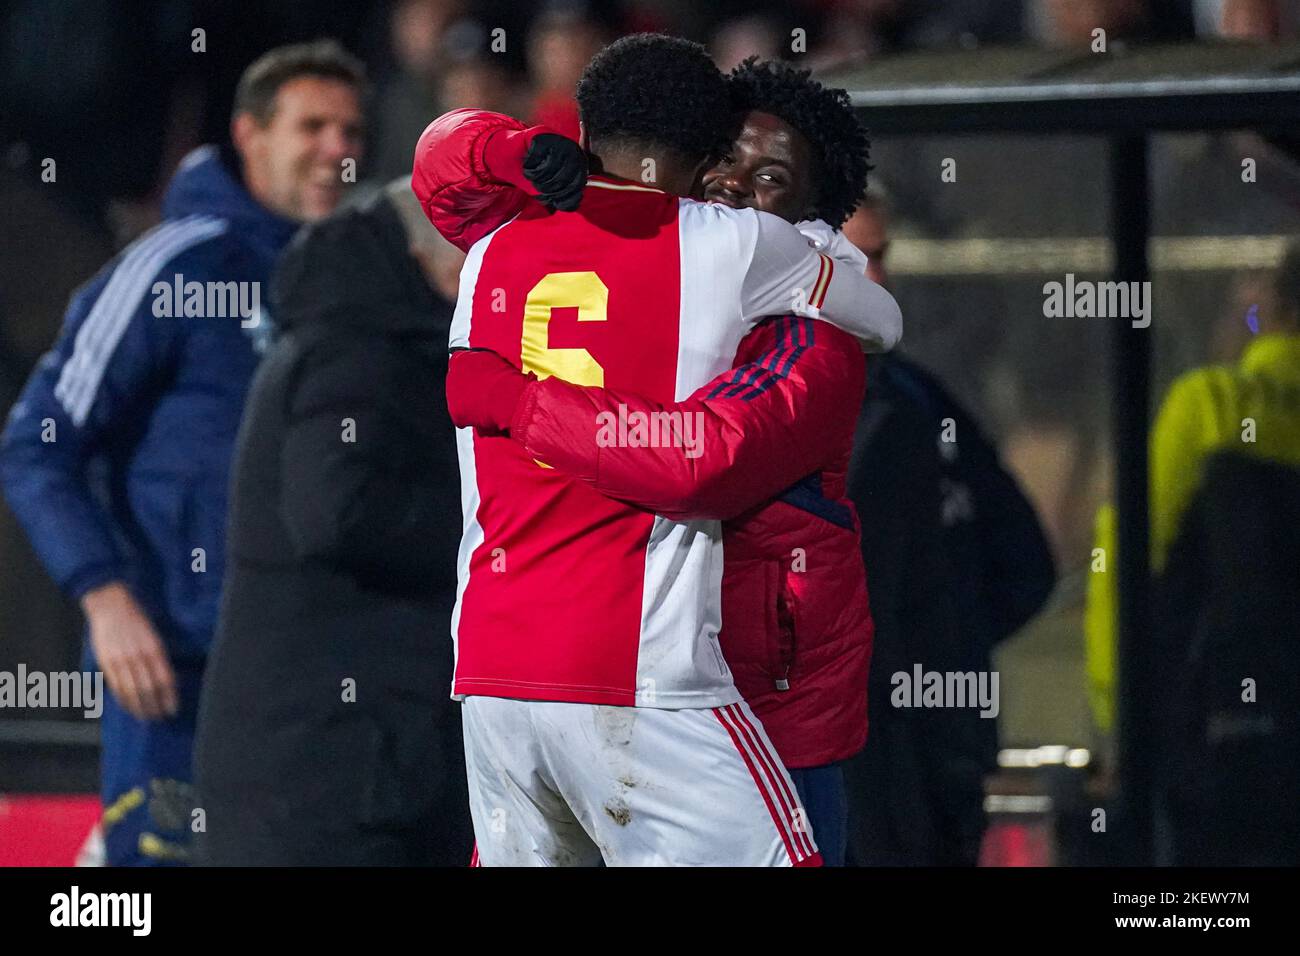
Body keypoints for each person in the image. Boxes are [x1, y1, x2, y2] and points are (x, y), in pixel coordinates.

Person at [412, 33, 900, 866]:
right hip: (632, 678)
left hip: (759, 710)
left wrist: (510, 397)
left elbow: (696, 460)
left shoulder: (809, 339)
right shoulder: (723, 249)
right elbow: (441, 163)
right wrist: (521, 149)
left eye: (772, 177)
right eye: (723, 161)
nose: (737, 187)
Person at [0, 40, 365, 865]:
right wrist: (104, 598)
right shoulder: (172, 267)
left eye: (351, 132)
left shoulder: (357, 281)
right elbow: (37, 444)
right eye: (312, 126)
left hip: (313, 670)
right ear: (250, 133)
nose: (337, 150)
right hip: (176, 662)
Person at [193, 180, 473, 865]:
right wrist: (488, 533)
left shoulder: (361, 337)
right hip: (333, 778)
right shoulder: (360, 349)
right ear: (423, 253)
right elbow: (339, 514)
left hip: (345, 766)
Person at [840, 193, 1056, 866]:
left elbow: (1025, 564)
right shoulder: (777, 398)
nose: (875, 279)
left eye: (881, 258)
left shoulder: (917, 399)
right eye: (854, 261)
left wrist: (942, 649)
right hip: (855, 759)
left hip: (932, 755)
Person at [1086, 241, 1300, 864]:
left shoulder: (1213, 409)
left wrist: (1119, 713)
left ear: (1279, 306)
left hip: (1223, 749)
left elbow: (1125, 566)